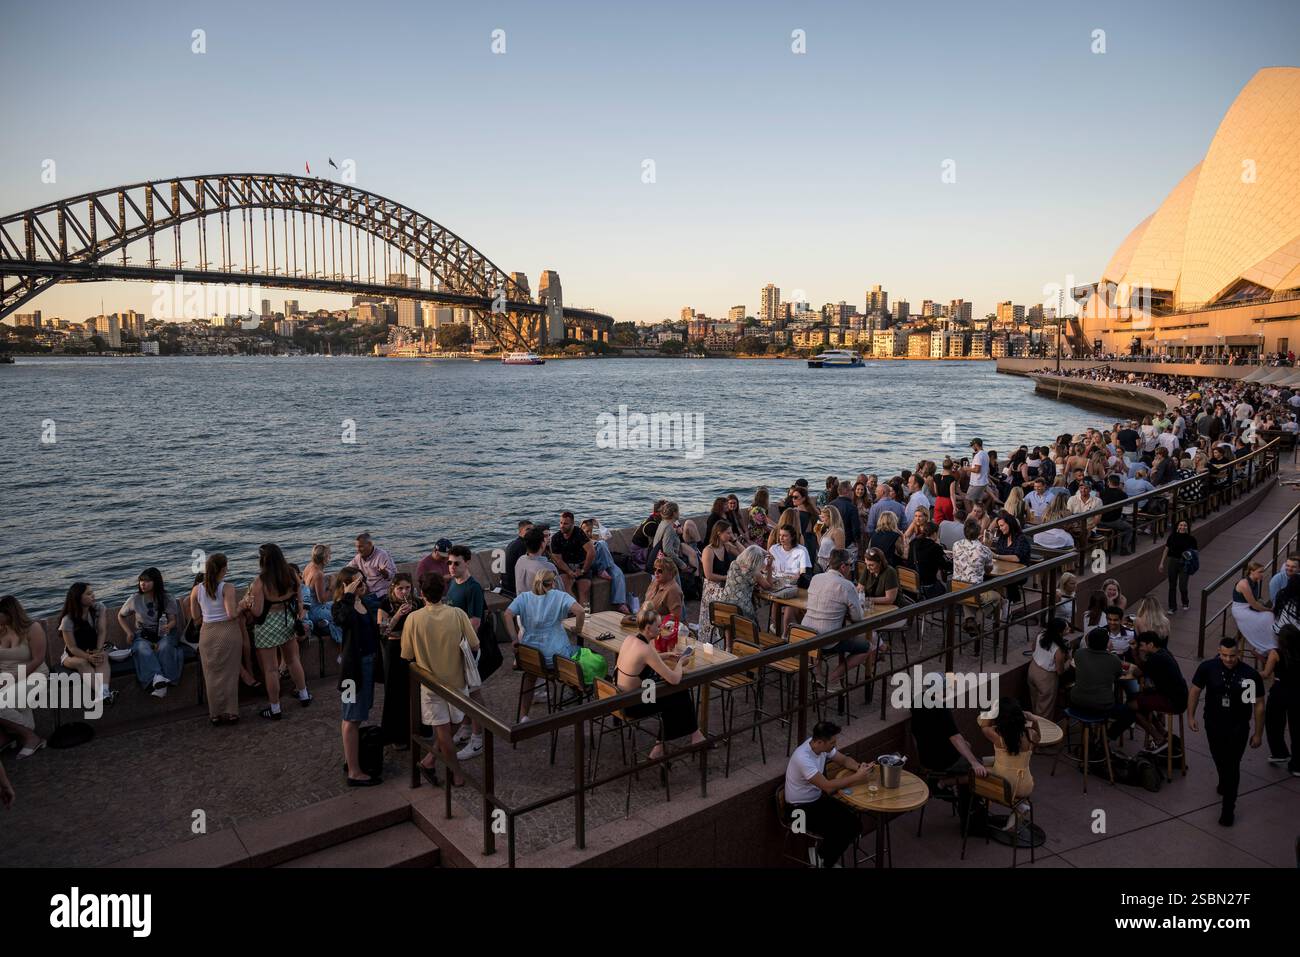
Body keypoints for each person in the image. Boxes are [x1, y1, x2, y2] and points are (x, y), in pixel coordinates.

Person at [401, 573, 479, 787]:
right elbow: (474, 643)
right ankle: (456, 773)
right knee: (451, 727)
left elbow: (406, 654)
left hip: (430, 683)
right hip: (457, 681)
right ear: (444, 592)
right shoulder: (458, 614)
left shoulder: (413, 619)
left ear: (421, 593)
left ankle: (430, 761)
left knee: (444, 731)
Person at [1188, 638, 1265, 826]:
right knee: (1219, 758)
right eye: (1224, 655)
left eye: (1232, 655)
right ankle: (1224, 781)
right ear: (1219, 652)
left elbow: (1258, 705)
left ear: (1238, 653)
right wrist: (1190, 716)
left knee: (1232, 765)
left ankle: (1228, 808)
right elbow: (1195, 691)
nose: (1228, 659)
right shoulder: (1208, 668)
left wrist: (1258, 733)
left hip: (1238, 726)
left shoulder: (1249, 674)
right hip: (1213, 723)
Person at [615, 605, 707, 761]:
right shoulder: (646, 649)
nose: (661, 629)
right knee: (677, 691)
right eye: (658, 627)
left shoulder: (630, 639)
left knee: (673, 694)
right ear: (649, 628)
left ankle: (690, 737)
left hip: (620, 697)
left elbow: (644, 660)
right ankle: (667, 745)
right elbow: (674, 678)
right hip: (633, 705)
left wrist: (667, 655)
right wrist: (680, 663)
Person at [783, 720, 873, 867]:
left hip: (816, 801)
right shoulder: (803, 758)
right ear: (819, 742)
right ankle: (823, 861)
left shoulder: (821, 747)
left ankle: (822, 857)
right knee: (841, 830)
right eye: (832, 743)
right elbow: (828, 787)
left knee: (855, 824)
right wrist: (857, 777)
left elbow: (843, 760)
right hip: (798, 811)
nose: (834, 746)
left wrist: (859, 767)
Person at [908, 675, 988, 828]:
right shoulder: (941, 708)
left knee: (968, 745)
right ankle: (942, 783)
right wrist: (974, 763)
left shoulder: (917, 700)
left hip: (925, 756)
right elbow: (955, 738)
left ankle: (955, 788)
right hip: (943, 759)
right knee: (981, 773)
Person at [242, 543, 311, 719]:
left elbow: (257, 612)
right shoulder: (291, 574)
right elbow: (300, 601)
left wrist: (247, 604)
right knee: (293, 660)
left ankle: (275, 708)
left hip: (267, 626)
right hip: (287, 621)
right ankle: (303, 695)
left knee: (271, 669)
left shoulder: (260, 582)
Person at [504, 570, 582, 719]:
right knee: (580, 653)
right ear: (553, 583)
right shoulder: (560, 596)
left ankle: (523, 716)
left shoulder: (524, 597)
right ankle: (575, 695)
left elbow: (507, 614)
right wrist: (577, 629)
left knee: (529, 676)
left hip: (530, 656)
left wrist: (514, 639)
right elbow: (580, 611)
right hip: (555, 659)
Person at [332, 569, 382, 786]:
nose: (361, 584)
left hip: (368, 664)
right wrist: (348, 596)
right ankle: (354, 771)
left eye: (362, 580)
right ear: (345, 586)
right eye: (356, 582)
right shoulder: (343, 606)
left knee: (359, 712)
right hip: (353, 669)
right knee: (351, 715)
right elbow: (343, 620)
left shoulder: (365, 602)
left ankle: (350, 758)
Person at [445, 545, 491, 759]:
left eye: (456, 563)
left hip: (467, 647)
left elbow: (475, 622)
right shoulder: (453, 584)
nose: (452, 567)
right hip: (455, 645)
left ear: (467, 563)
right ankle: (465, 727)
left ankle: (477, 738)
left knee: (473, 692)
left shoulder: (473, 588)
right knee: (462, 690)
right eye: (449, 563)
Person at [189, 554, 242, 725]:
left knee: (211, 675)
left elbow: (195, 617)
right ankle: (231, 712)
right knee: (230, 675)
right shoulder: (227, 588)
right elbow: (231, 614)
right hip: (228, 632)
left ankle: (215, 715)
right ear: (223, 569)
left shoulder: (197, 590)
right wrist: (243, 605)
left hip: (207, 634)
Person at [117, 567, 182, 699]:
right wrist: (129, 632)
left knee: (164, 647)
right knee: (142, 648)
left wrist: (168, 626)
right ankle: (158, 679)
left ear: (156, 582)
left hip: (164, 633)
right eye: (141, 581)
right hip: (143, 635)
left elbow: (173, 621)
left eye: (147, 581)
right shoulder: (134, 599)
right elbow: (120, 616)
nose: (143, 584)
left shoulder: (167, 598)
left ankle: (164, 679)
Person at [376, 572, 424, 749]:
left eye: (407, 588)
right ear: (393, 588)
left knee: (415, 690)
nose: (404, 592)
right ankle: (396, 736)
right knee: (395, 692)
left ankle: (420, 729)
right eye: (400, 588)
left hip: (413, 650)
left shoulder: (417, 603)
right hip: (394, 650)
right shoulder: (385, 603)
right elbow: (382, 631)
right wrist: (397, 615)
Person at [978, 698, 1039, 828]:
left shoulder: (998, 738)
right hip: (1025, 786)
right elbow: (1038, 735)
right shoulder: (1030, 735)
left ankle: (984, 806)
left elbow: (983, 726)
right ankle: (1019, 807)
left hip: (1003, 786)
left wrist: (991, 714)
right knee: (987, 761)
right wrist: (1033, 719)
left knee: (978, 770)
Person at [1069, 627, 1135, 747]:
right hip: (1101, 705)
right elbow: (1118, 675)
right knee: (1130, 713)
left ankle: (1092, 736)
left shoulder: (1079, 654)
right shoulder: (1113, 660)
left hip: (1076, 701)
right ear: (1106, 643)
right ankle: (1106, 739)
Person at [0, 595, 47, 758]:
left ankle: (30, 737)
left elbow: (38, 659)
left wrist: (10, 679)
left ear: (9, 613)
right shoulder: (1, 629)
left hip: (33, 675)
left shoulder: (33, 628)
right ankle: (11, 735)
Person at [1130, 631, 1188, 753]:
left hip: (1172, 701)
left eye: (1142, 645)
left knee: (1131, 706)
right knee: (1142, 700)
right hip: (1180, 697)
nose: (1141, 648)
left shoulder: (1155, 659)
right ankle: (1163, 732)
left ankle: (1158, 738)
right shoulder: (1165, 653)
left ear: (1150, 645)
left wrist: (1134, 653)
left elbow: (1138, 672)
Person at [58, 583, 114, 706]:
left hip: (94, 649)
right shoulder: (68, 620)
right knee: (82, 663)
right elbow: (72, 647)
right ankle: (103, 693)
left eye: (92, 592)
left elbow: (102, 631)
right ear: (78, 598)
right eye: (88, 594)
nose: (93, 596)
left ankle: (104, 692)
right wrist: (88, 657)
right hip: (73, 655)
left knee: (102, 657)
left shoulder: (99, 608)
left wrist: (98, 650)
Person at [1261, 624, 1299, 775]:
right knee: (1297, 729)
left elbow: (1266, 674)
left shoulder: (1276, 653)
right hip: (1298, 693)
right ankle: (1297, 765)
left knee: (1274, 723)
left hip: (1280, 692)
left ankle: (1279, 753)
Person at [718, 544, 775, 632]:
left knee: (729, 625)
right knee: (753, 627)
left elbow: (741, 582)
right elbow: (768, 586)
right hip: (741, 610)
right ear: (757, 560)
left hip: (723, 606)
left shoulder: (733, 564)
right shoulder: (755, 573)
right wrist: (769, 567)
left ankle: (729, 645)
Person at [698, 523, 736, 646]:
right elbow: (709, 575)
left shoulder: (727, 546)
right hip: (712, 588)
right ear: (719, 533)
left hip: (725, 587)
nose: (730, 535)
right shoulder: (708, 551)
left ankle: (729, 643)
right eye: (728, 533)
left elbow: (744, 553)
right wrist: (727, 577)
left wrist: (735, 540)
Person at [1231, 562, 1277, 656]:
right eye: (1260, 572)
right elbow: (1254, 604)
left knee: (1270, 617)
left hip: (1249, 607)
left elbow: (1256, 601)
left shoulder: (1255, 582)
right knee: (1268, 616)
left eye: (1263, 572)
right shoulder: (1244, 584)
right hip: (1241, 610)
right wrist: (1268, 610)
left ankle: (1270, 645)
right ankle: (1263, 647)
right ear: (1251, 572)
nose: (1262, 574)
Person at [1027, 617, 1070, 718]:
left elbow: (1033, 648)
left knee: (1034, 702)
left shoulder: (1041, 635)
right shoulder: (1058, 649)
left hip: (1032, 669)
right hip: (1046, 678)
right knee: (1044, 710)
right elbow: (1060, 671)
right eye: (1066, 629)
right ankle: (1041, 732)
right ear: (1060, 632)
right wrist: (1068, 661)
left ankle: (1034, 726)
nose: (1068, 630)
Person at [550, 512, 595, 606]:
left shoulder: (579, 533)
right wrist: (569, 571)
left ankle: (585, 618)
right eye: (561, 523)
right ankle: (575, 614)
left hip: (581, 565)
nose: (562, 526)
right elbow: (557, 559)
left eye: (565, 524)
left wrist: (583, 570)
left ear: (572, 524)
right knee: (565, 588)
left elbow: (591, 552)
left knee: (584, 590)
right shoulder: (555, 538)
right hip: (565, 568)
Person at [344, 532, 396, 610]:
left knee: (364, 606)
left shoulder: (382, 555)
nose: (358, 549)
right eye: (357, 547)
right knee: (356, 605)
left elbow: (393, 575)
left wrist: (385, 573)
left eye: (360, 547)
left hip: (384, 592)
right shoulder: (358, 557)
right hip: (369, 592)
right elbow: (347, 569)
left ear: (370, 544)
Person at [303, 544, 341, 644]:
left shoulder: (309, 566)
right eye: (329, 555)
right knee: (341, 616)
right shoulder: (318, 574)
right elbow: (322, 600)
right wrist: (332, 585)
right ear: (324, 558)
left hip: (308, 607)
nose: (330, 557)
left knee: (340, 605)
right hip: (315, 610)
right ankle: (330, 629)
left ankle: (324, 622)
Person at [1159, 520, 1199, 614]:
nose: (1183, 527)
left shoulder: (1191, 539)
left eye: (1185, 525)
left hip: (1185, 563)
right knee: (1172, 585)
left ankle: (1185, 602)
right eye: (1181, 525)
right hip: (1173, 562)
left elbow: (1195, 552)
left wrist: (1190, 555)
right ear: (1177, 527)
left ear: (1187, 528)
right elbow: (1166, 550)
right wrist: (1161, 563)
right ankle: (1172, 607)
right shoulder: (1172, 537)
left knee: (1183, 586)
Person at [909, 521, 951, 598]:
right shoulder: (935, 547)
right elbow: (945, 566)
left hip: (913, 582)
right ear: (935, 533)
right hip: (928, 584)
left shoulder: (913, 543)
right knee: (948, 591)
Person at [514, 525, 559, 595]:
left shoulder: (520, 561)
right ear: (541, 544)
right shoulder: (548, 567)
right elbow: (560, 592)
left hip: (523, 603)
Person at [1097, 474, 1136, 555]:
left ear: (1108, 482)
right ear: (1119, 483)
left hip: (1100, 520)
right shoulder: (1122, 494)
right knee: (1129, 528)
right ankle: (1124, 548)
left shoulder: (1102, 492)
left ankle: (1114, 546)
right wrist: (1121, 489)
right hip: (1113, 521)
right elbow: (1127, 504)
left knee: (1122, 522)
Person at [643, 555, 685, 622]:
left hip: (662, 628)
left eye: (660, 571)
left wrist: (654, 618)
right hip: (647, 624)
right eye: (654, 569)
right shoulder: (656, 581)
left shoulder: (673, 590)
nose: (656, 572)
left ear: (670, 573)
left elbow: (675, 617)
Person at [951, 519, 993, 584]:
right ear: (979, 533)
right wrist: (987, 547)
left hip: (956, 589)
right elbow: (988, 571)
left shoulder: (956, 544)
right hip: (974, 590)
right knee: (997, 593)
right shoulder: (984, 549)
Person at [501, 520, 535, 597]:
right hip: (512, 587)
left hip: (505, 585)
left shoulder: (513, 543)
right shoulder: (522, 546)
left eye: (533, 530)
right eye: (528, 529)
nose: (531, 532)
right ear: (520, 532)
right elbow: (524, 570)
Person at [966, 437, 991, 505]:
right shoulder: (985, 454)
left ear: (976, 445)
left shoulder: (978, 455)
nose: (972, 447)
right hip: (983, 482)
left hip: (977, 483)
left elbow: (977, 470)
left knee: (967, 500)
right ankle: (982, 515)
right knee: (978, 502)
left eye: (972, 446)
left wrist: (967, 468)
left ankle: (971, 515)